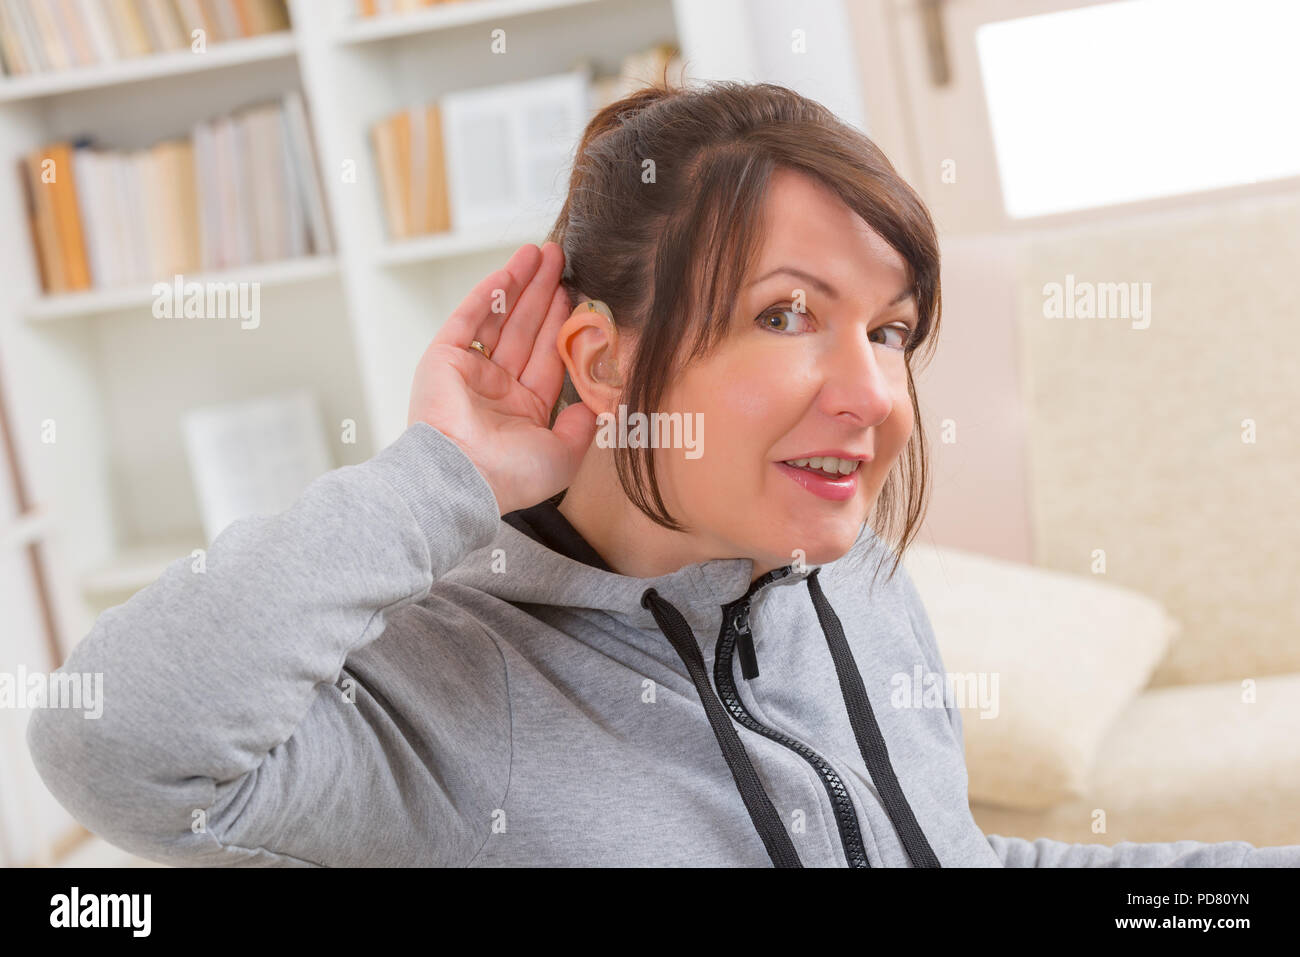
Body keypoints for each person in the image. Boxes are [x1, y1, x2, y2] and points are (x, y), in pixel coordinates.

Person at [26, 80, 1298, 867]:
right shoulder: (447, 686)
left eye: (892, 330)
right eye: (790, 313)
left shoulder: (845, 584)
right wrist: (441, 476)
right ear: (602, 361)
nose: (874, 395)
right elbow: (118, 753)